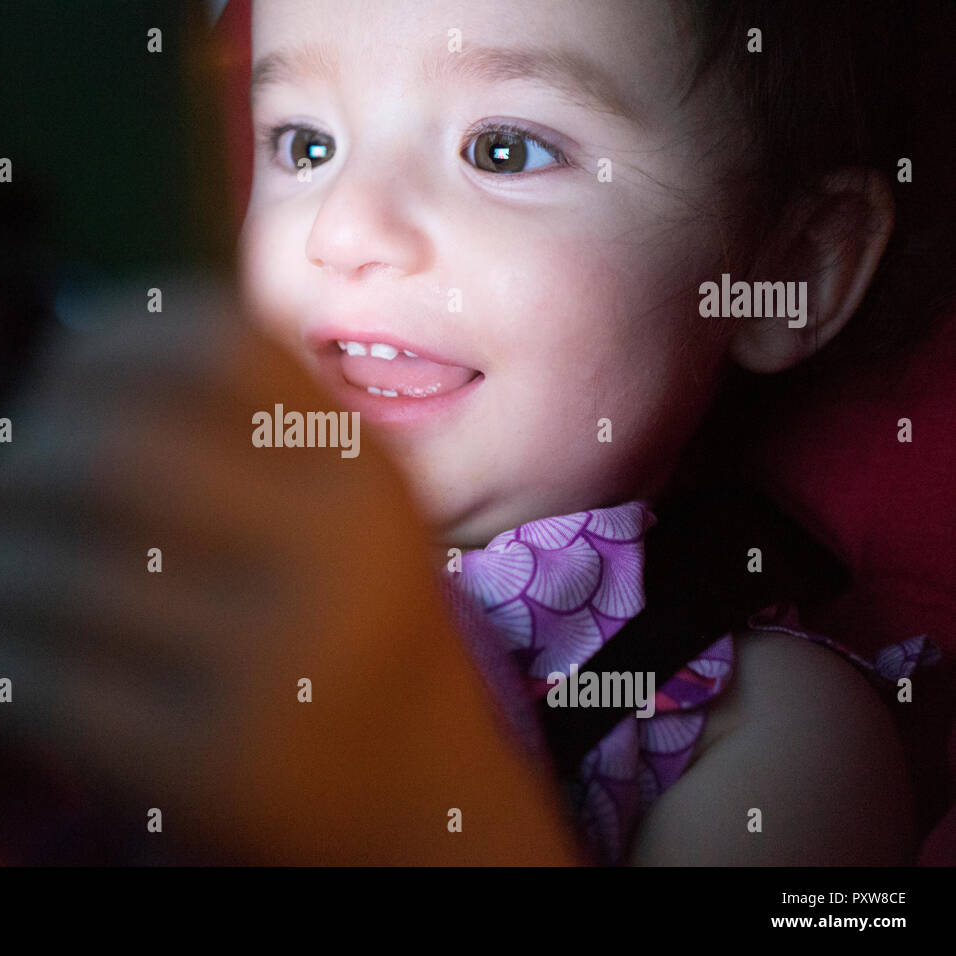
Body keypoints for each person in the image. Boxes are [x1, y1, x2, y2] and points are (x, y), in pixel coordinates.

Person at [233, 0, 953, 864]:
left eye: (504, 151)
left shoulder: (757, 726)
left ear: (788, 265)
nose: (343, 228)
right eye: (303, 145)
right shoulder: (161, 515)